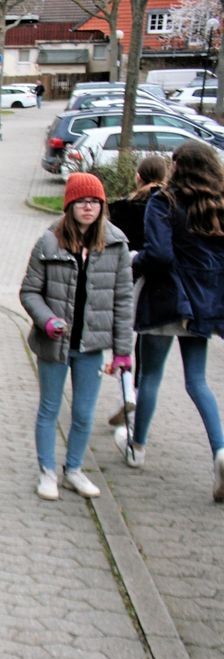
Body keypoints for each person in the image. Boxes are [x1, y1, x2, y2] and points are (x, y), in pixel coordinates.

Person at [20, 173, 134, 501]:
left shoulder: (116, 244)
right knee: (49, 408)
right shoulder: (48, 241)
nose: (88, 207)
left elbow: (124, 300)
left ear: (102, 206)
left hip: (91, 346)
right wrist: (47, 320)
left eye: (95, 201)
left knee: (84, 413)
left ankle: (74, 469)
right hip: (54, 345)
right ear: (69, 205)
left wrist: (123, 352)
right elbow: (29, 291)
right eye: (82, 201)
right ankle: (47, 472)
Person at [123, 141, 224, 502]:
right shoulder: (217, 205)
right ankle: (220, 451)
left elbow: (161, 255)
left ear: (177, 166)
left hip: (166, 298)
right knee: (197, 381)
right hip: (203, 303)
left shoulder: (163, 202)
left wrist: (133, 262)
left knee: (151, 375)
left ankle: (138, 447)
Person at [106, 155, 169, 434]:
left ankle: (127, 393)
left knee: (121, 340)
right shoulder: (170, 206)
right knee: (145, 346)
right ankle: (136, 393)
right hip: (158, 286)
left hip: (127, 278)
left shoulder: (122, 208)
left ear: (138, 176)